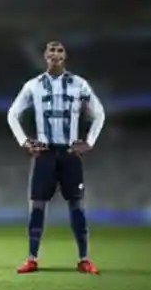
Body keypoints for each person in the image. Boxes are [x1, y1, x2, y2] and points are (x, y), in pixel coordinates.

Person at [7, 41, 106, 274]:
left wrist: (89, 141)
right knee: (37, 207)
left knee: (78, 206)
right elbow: (12, 114)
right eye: (51, 50)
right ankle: (31, 258)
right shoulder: (33, 86)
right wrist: (24, 141)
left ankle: (84, 259)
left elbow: (99, 113)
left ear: (65, 56)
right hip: (45, 153)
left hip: (70, 154)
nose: (55, 53)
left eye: (59, 50)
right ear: (45, 56)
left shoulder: (79, 84)